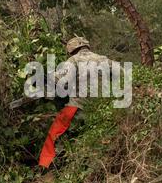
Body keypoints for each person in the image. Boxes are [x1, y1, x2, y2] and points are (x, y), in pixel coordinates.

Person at [38, 36, 111, 168]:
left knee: (55, 134)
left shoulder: (74, 60)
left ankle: (46, 167)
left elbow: (58, 80)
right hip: (100, 111)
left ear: (72, 50)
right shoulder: (104, 59)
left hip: (78, 107)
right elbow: (123, 75)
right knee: (89, 140)